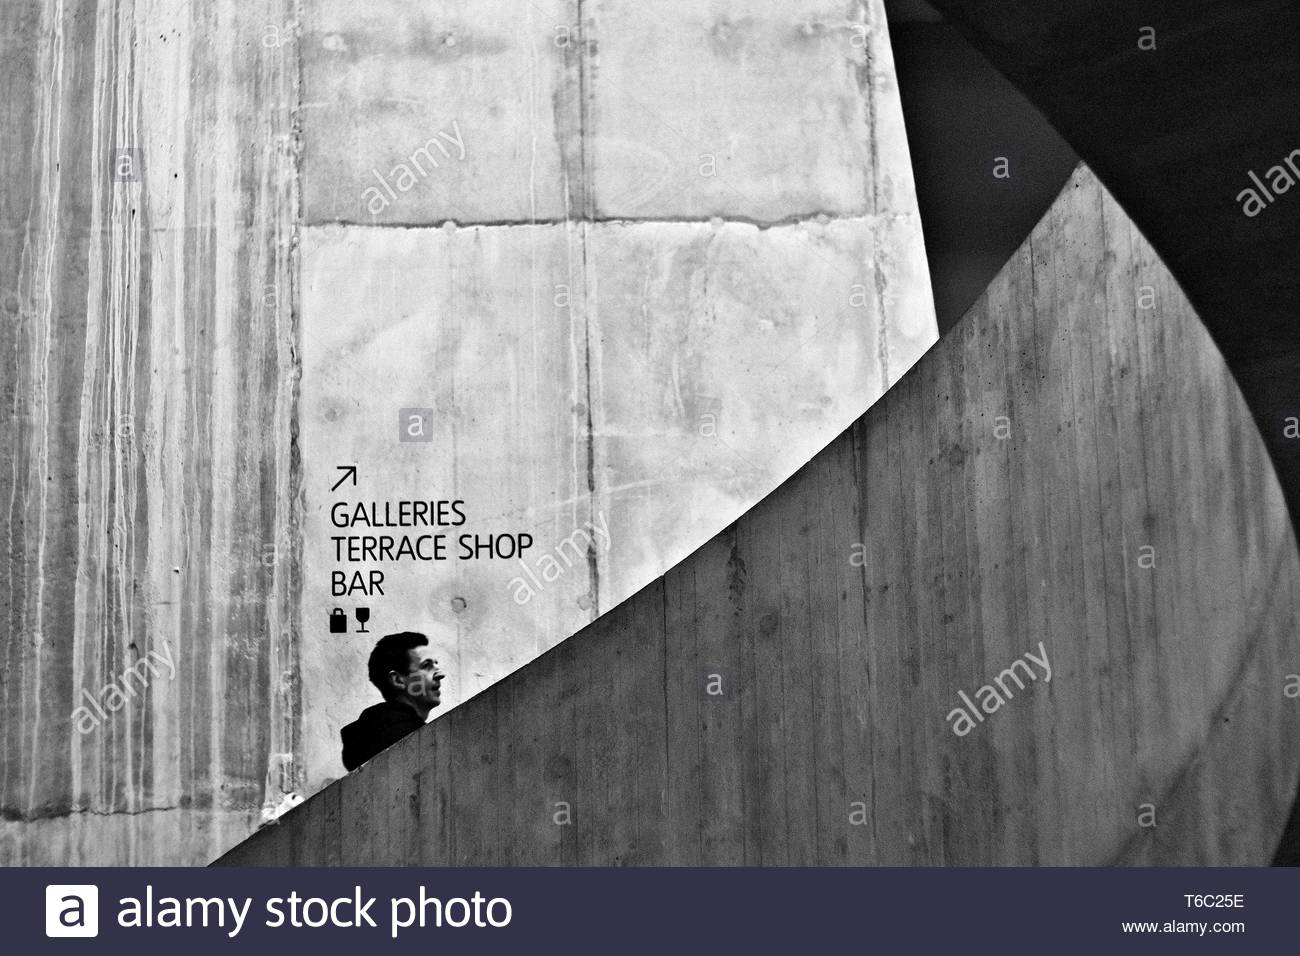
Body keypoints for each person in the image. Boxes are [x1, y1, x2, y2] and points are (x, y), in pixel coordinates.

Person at [340, 631, 444, 772]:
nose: (440, 675)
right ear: (398, 680)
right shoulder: (415, 738)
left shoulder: (370, 732)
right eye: (426, 666)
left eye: (436, 664)